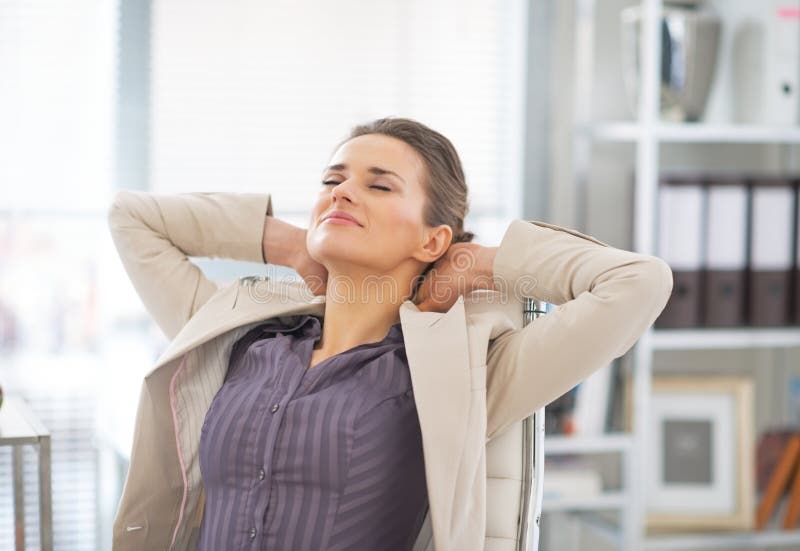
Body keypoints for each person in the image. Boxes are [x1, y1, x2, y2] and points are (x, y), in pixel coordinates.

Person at [107, 117, 673, 551]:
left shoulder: (462, 375)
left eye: (378, 186)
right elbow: (132, 218)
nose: (341, 193)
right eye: (333, 180)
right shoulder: (237, 336)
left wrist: (482, 263)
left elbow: (638, 283)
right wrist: (282, 241)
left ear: (432, 241)